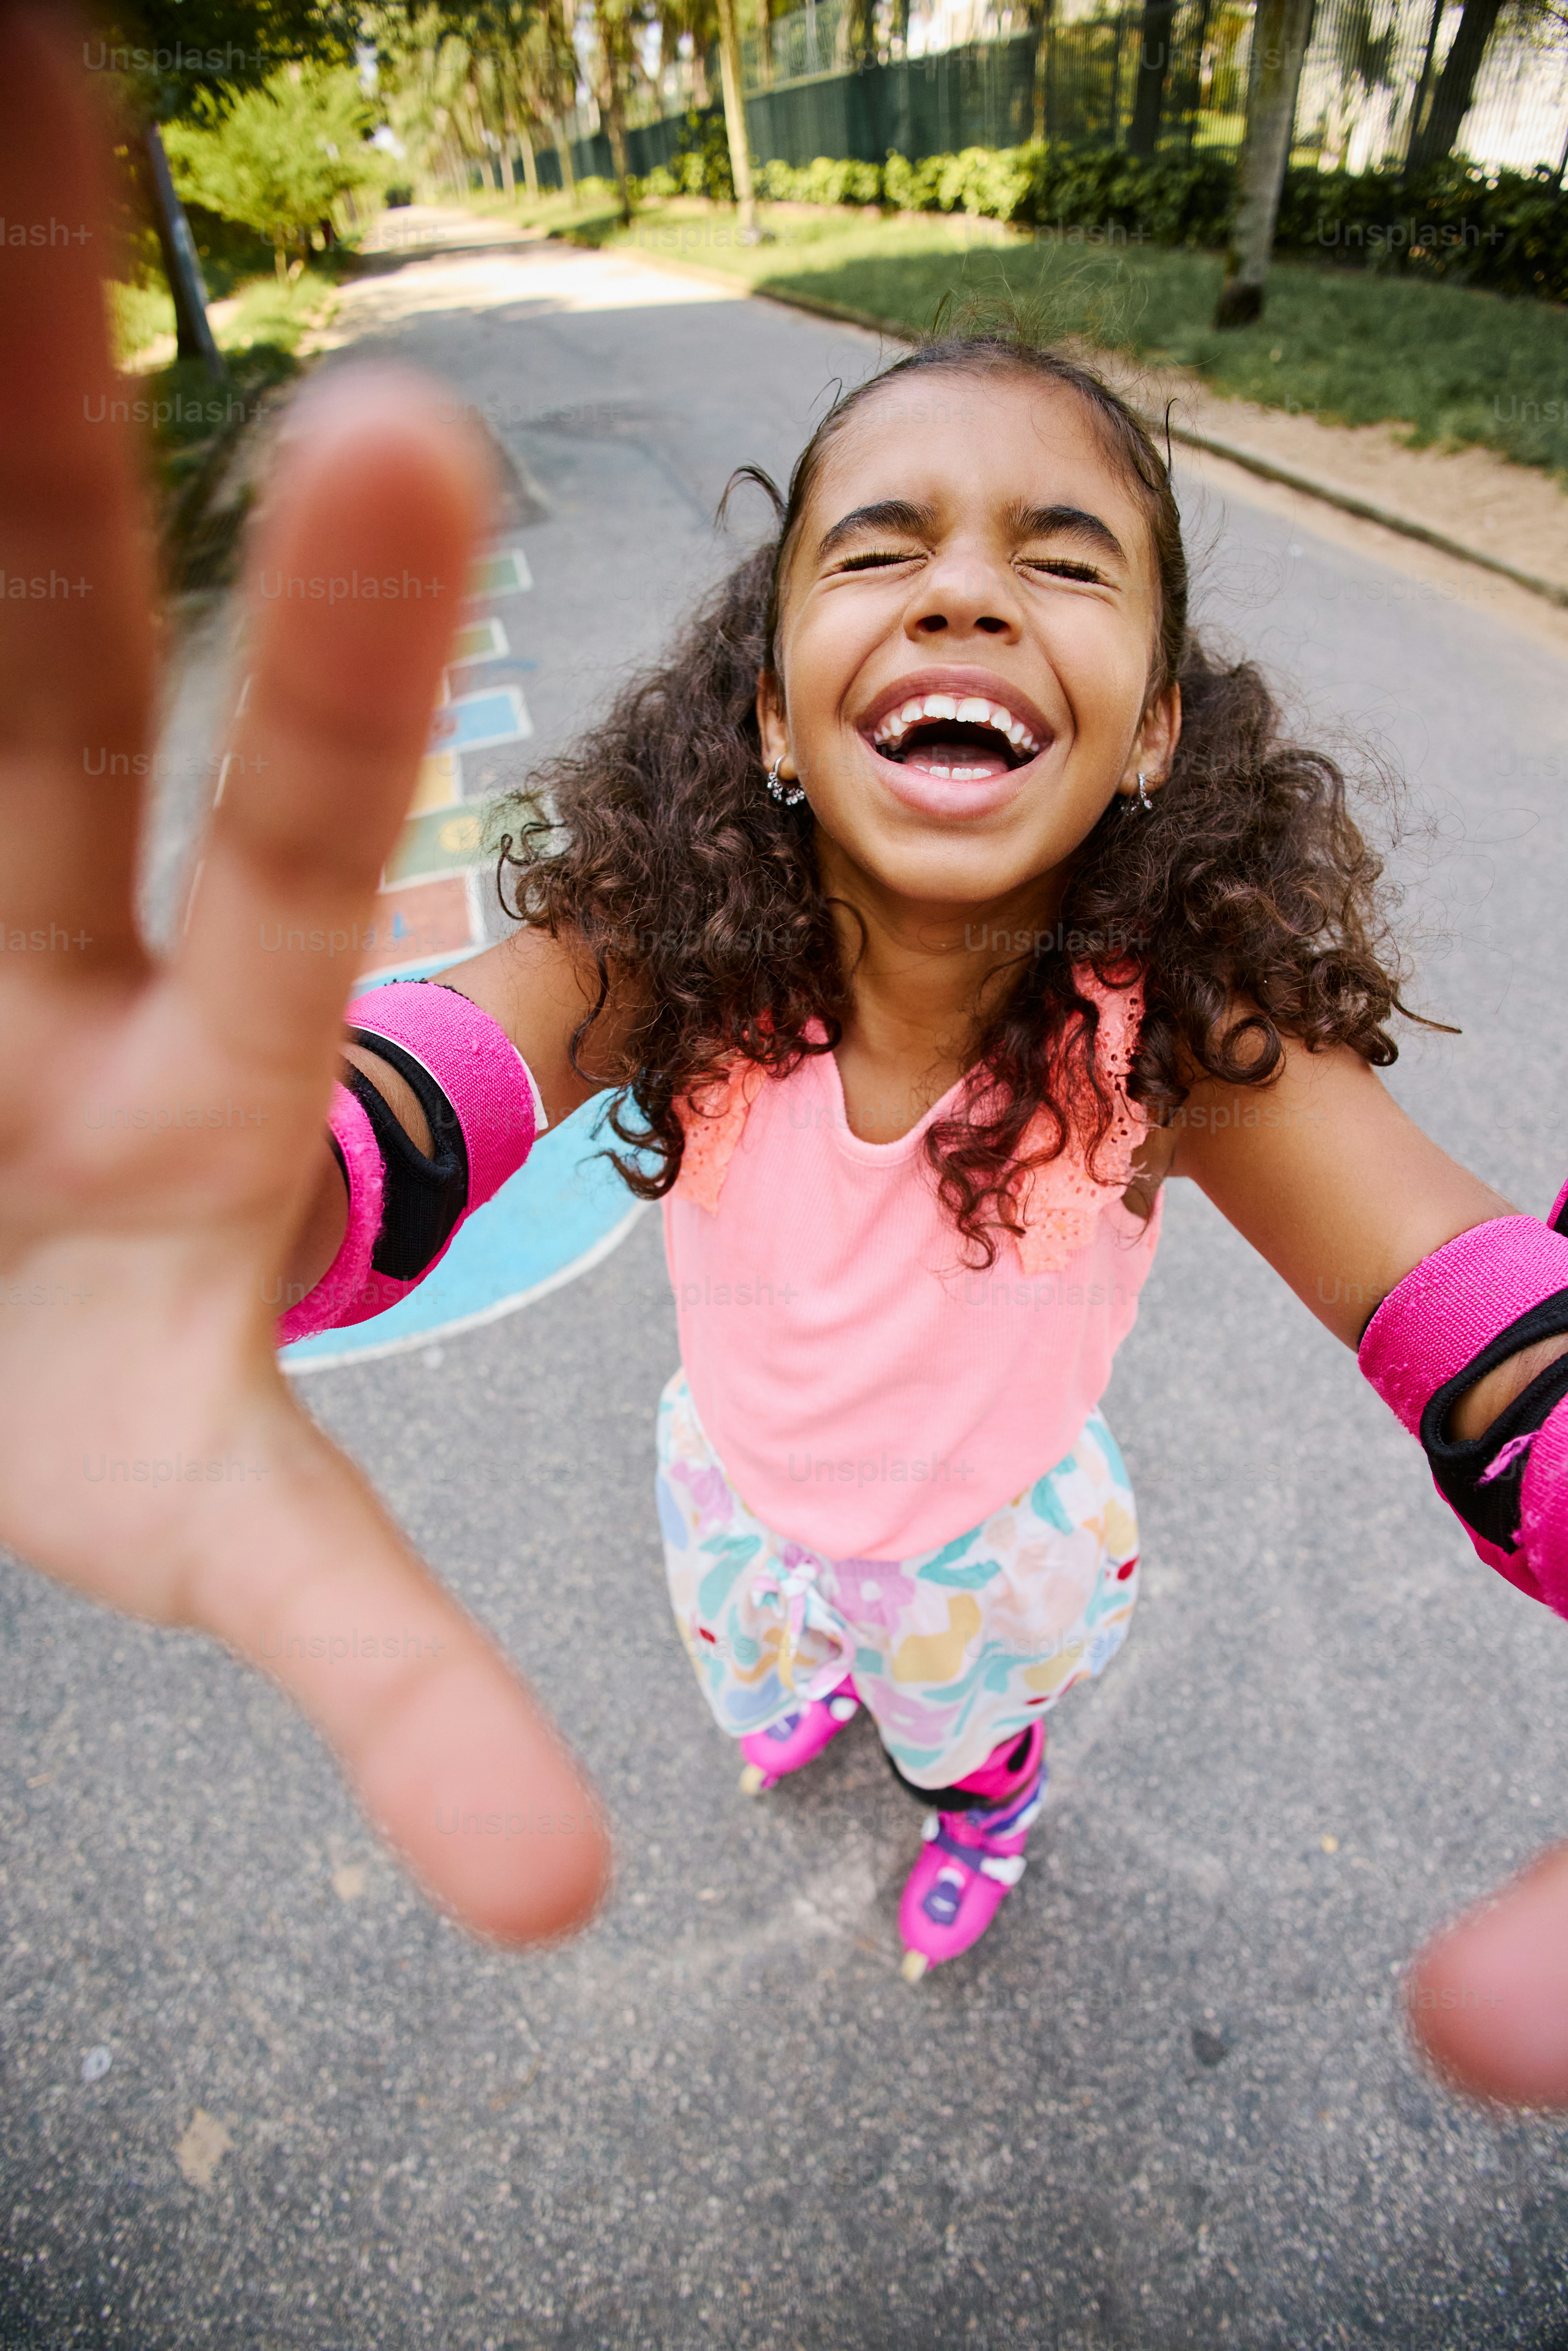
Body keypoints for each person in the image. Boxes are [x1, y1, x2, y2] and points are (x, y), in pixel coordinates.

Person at [1, 5, 1564, 2094]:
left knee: (952, 1726)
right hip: (734, 1486)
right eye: (882, 550)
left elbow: (1473, 1325)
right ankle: (827, 1685)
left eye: (1064, 563)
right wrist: (247, 1194)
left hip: (980, 1536)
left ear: (1158, 727)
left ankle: (982, 1805)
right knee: (773, 1647)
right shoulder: (666, 945)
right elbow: (411, 1106)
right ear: (767, 707)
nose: (970, 597)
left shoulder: (1184, 1030)